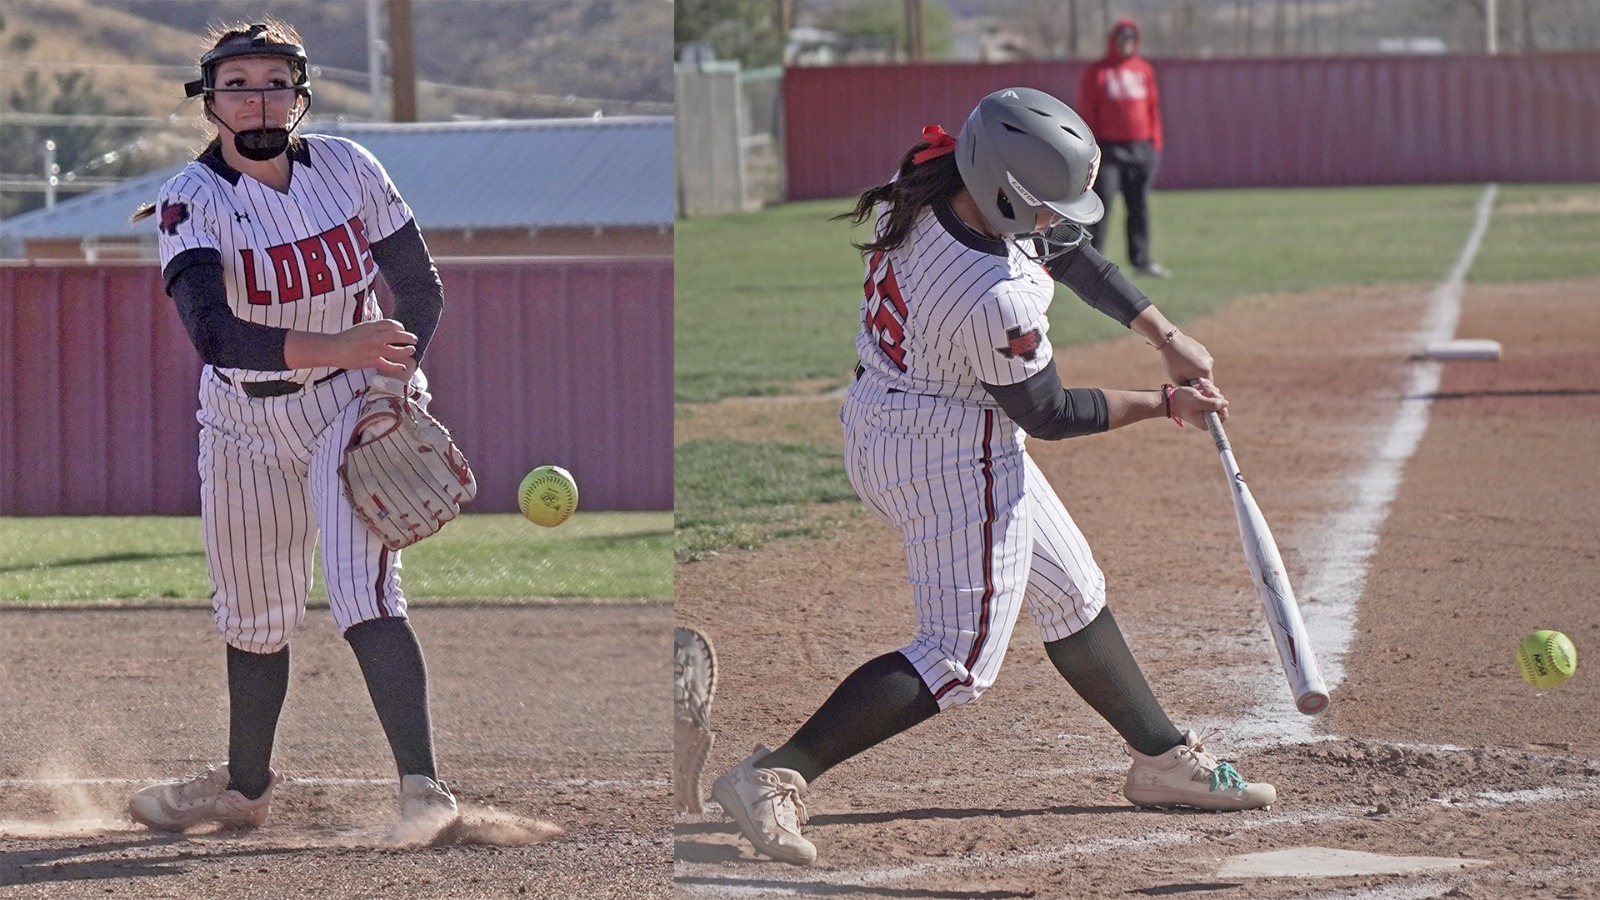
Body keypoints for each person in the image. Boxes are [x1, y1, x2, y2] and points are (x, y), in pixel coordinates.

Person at [710, 87, 1274, 866]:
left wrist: (1163, 333)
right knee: (958, 656)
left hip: (895, 415)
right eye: (1042, 202)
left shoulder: (935, 179)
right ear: (1003, 187)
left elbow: (1061, 246)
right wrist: (1165, 404)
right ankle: (773, 776)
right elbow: (1048, 413)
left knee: (1071, 590)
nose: (1053, 218)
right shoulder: (990, 295)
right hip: (946, 451)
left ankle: (1160, 758)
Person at [127, 19, 457, 844]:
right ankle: (244, 791)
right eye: (237, 85)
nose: (258, 100)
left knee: (362, 588)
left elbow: (419, 289)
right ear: (211, 101)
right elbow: (213, 333)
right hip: (240, 418)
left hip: (349, 402)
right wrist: (346, 344)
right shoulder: (191, 200)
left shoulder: (348, 166)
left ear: (299, 94)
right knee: (253, 615)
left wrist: (389, 387)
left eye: (275, 83)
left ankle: (424, 790)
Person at [1077, 18, 1169, 278]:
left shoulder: (1144, 70)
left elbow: (1153, 108)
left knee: (1139, 206)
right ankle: (1092, 263)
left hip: (1140, 149)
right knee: (1101, 203)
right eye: (1121, 40)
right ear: (1113, 41)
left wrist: (1155, 144)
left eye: (1130, 40)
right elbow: (1087, 111)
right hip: (1108, 150)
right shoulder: (1097, 72)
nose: (1125, 44)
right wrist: (1092, 148)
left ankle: (1141, 260)